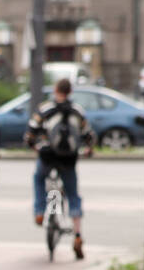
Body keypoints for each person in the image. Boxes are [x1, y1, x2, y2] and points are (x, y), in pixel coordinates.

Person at [24, 77, 94, 259]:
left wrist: (32, 144)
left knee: (39, 178)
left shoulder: (46, 108)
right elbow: (88, 135)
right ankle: (77, 235)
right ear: (70, 92)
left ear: (56, 90)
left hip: (48, 156)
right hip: (68, 158)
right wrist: (88, 149)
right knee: (73, 195)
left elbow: (32, 129)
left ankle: (40, 211)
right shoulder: (77, 111)